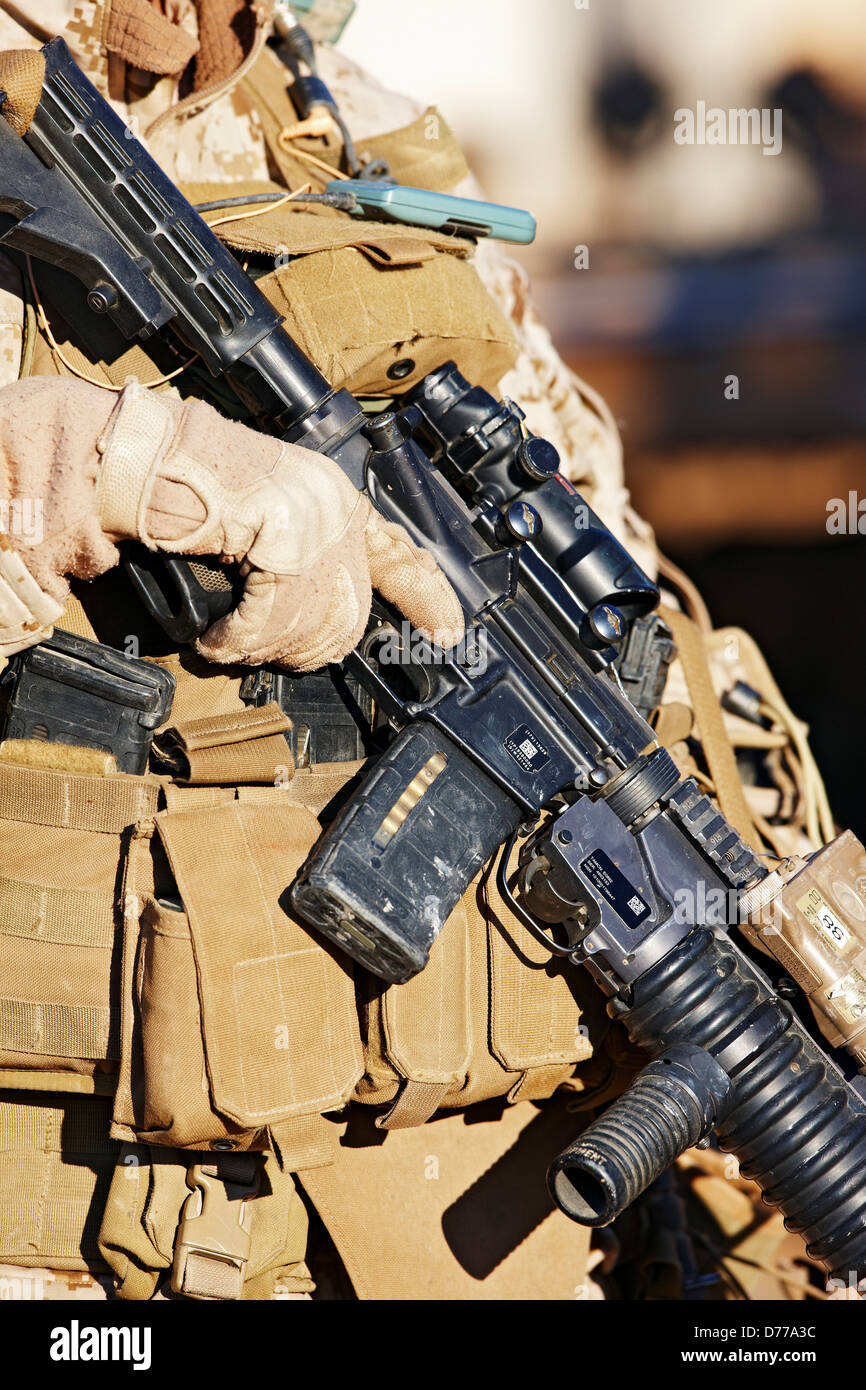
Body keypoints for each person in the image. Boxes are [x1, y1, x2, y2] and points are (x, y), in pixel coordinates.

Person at [0, 0, 828, 1302]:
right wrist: (131, 464)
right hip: (114, 1247)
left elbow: (601, 556)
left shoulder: (341, 113)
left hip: (482, 1213)